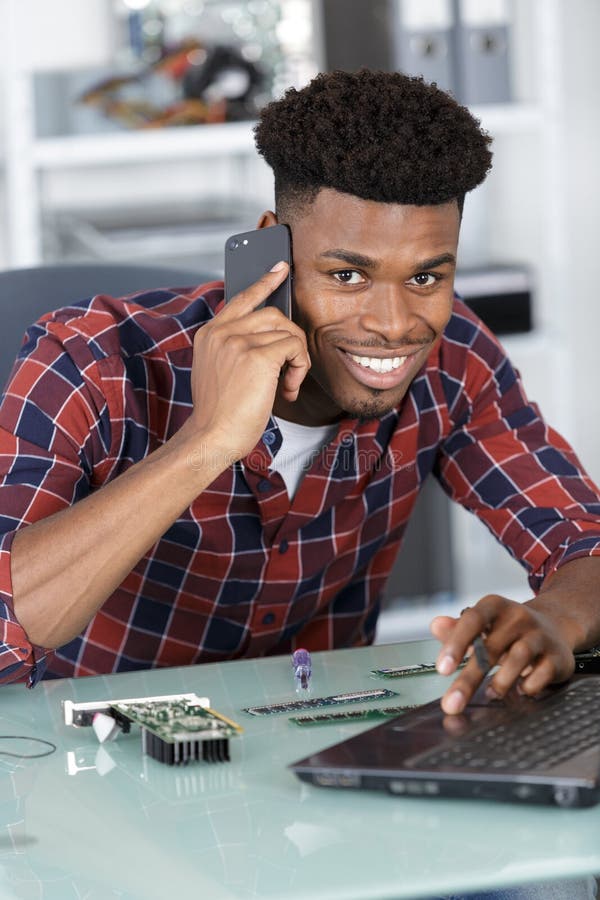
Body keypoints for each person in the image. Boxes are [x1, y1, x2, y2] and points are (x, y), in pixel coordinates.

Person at [1, 66, 599, 900]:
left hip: (315, 788)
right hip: (88, 800)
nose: (394, 324)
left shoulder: (453, 355)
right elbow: (9, 620)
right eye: (347, 275)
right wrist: (209, 439)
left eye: (426, 274)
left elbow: (584, 539)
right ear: (269, 254)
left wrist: (557, 618)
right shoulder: (90, 362)